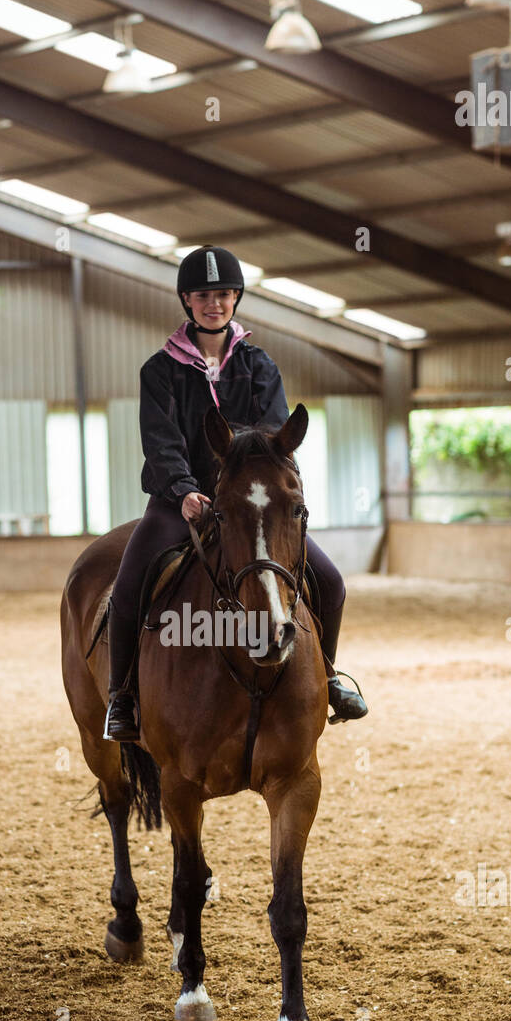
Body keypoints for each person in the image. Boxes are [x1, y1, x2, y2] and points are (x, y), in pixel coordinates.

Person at [104, 244, 368, 741]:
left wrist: (249, 487)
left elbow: (272, 435)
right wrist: (183, 491)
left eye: (224, 294)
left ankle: (329, 678)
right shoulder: (159, 372)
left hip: (247, 507)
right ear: (187, 300)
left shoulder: (258, 365)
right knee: (128, 585)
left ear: (236, 298)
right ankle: (121, 697)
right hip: (178, 504)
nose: (215, 304)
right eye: (204, 295)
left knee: (330, 582)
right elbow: (161, 443)